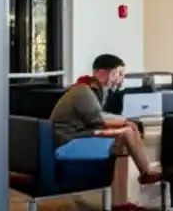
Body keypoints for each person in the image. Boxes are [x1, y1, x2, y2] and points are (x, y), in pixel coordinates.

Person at [49, 55, 162, 197]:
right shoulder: (83, 91)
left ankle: (122, 200)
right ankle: (147, 172)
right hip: (67, 143)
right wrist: (125, 122)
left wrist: (124, 123)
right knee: (127, 132)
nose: (121, 79)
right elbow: (98, 122)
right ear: (102, 72)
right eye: (118, 73)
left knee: (125, 135)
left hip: (79, 136)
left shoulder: (93, 90)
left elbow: (98, 118)